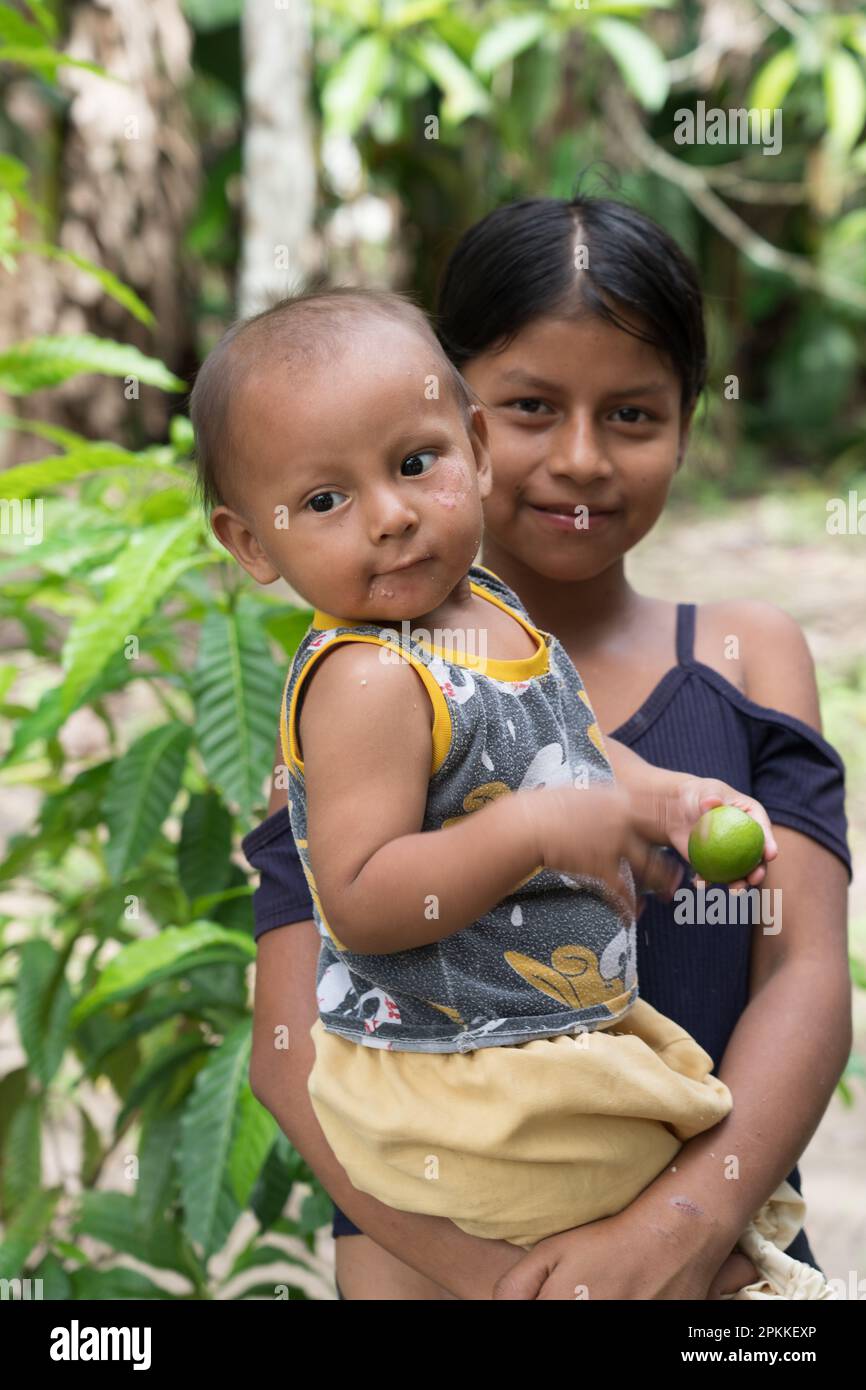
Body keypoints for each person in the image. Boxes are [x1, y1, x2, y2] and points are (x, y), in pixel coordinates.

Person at [235, 197, 852, 1300]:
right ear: (467, 412)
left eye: (630, 414)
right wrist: (520, 1284)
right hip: (446, 1267)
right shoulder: (363, 692)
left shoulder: (745, 654)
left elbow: (802, 975)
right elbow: (289, 1051)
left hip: (709, 1254)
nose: (578, 459)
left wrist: (673, 1231)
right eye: (530, 406)